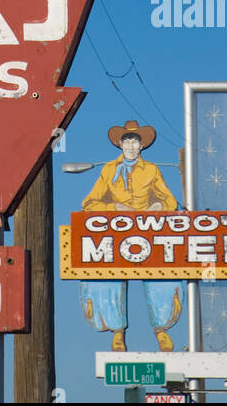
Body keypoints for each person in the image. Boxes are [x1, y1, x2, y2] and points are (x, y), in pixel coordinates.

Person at [78, 119, 183, 352]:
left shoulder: (152, 170)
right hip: (116, 235)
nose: (131, 146)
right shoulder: (108, 171)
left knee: (162, 276)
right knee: (108, 278)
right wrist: (114, 208)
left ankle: (162, 330)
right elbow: (89, 204)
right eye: (127, 141)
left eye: (135, 141)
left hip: (149, 232)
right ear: (120, 144)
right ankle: (117, 333)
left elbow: (170, 200)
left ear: (142, 145)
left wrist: (158, 206)